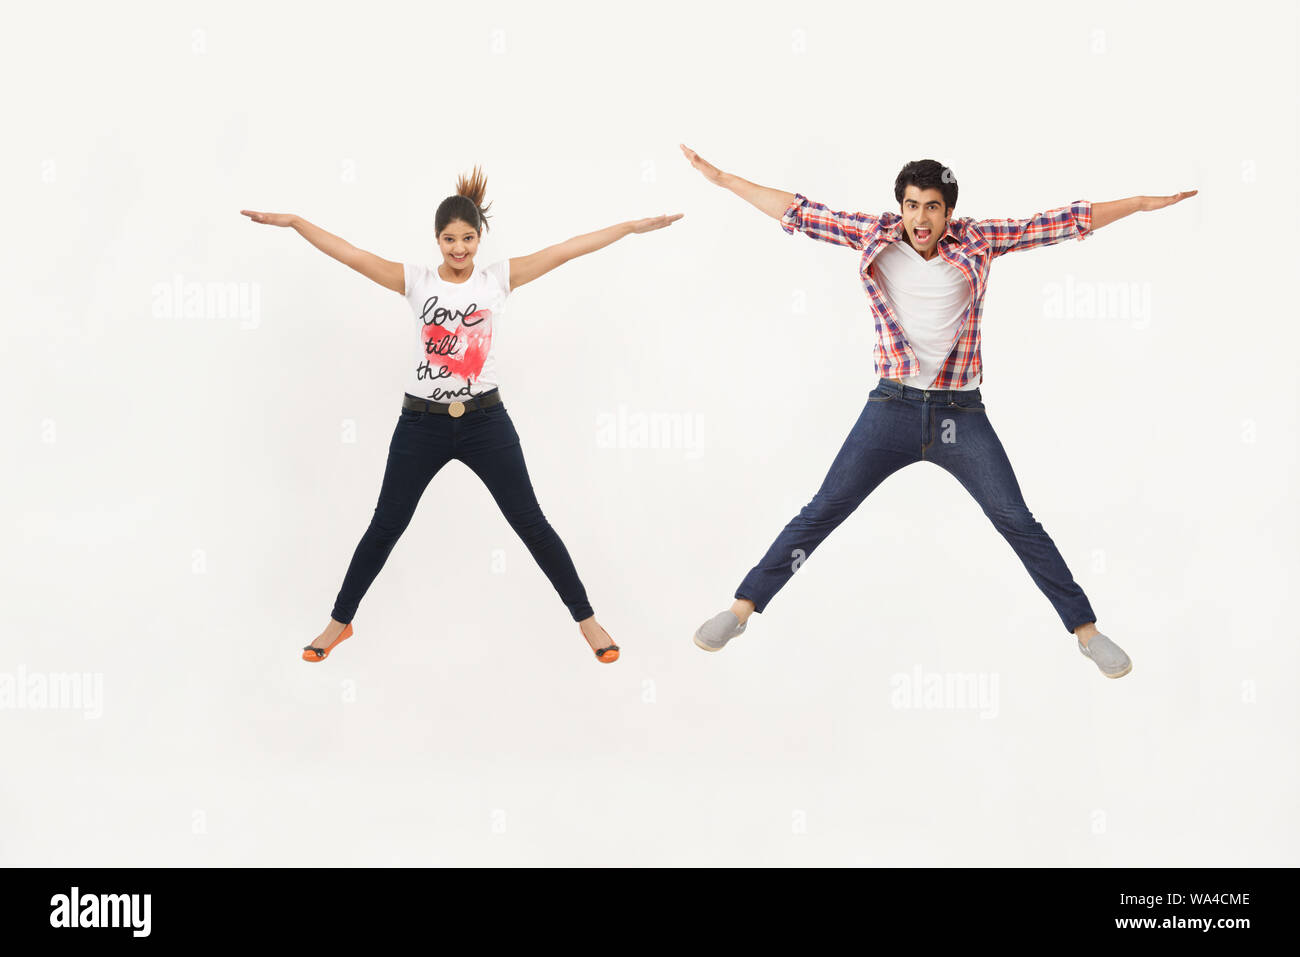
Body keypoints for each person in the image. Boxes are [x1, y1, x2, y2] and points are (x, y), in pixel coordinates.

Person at [680, 144, 1197, 679]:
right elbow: (801, 212)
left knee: (1016, 520)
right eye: (911, 205)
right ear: (900, 207)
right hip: (891, 407)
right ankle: (742, 609)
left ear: (947, 212)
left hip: (960, 414)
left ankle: (1086, 632)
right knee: (824, 509)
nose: (919, 218)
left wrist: (1136, 203)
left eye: (931, 206)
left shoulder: (979, 240)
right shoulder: (874, 234)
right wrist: (723, 180)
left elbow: (1060, 222)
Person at [241, 166, 682, 664]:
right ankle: (338, 624)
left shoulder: (497, 280)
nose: (459, 249)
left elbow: (567, 248)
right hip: (421, 425)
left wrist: (626, 228)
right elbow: (352, 254)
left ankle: (587, 620)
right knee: (385, 525)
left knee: (531, 523)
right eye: (450, 239)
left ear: (480, 238)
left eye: (468, 239)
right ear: (436, 239)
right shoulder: (417, 282)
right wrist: (297, 221)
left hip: (484, 423)